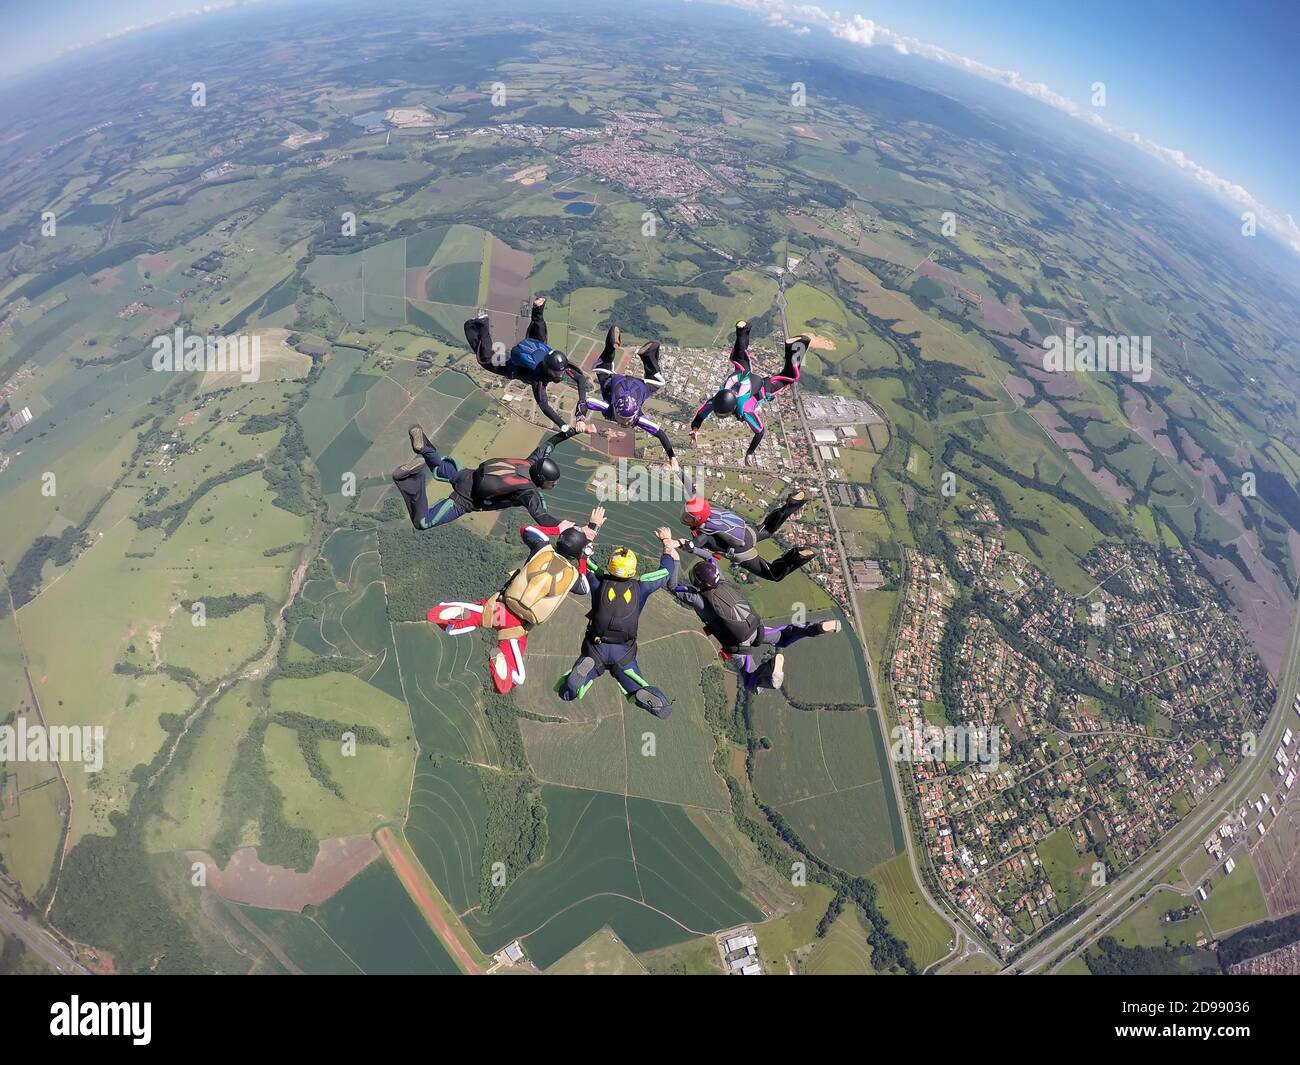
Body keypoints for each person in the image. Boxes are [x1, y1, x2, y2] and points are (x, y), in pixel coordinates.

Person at [428, 508, 606, 693]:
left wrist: (558, 529)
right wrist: (584, 555)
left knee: (474, 615)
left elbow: (526, 529)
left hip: (500, 610)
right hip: (517, 627)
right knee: (514, 679)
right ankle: (501, 661)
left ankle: (460, 616)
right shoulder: (574, 577)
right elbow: (585, 585)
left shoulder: (542, 548)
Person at [559, 530, 681, 718]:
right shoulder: (642, 586)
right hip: (624, 651)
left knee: (566, 692)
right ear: (633, 569)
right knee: (635, 687)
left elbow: (584, 561)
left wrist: (591, 531)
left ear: (610, 565)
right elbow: (665, 572)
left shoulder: (598, 581)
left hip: (596, 648)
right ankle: (654, 701)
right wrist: (666, 544)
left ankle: (575, 685)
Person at [670, 557, 840, 691]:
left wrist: (673, 558)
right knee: (785, 634)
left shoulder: (699, 600)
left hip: (738, 644)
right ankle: (818, 627)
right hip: (756, 628)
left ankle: (772, 674)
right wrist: (691, 547)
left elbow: (673, 586)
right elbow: (710, 558)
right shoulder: (722, 581)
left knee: (751, 682)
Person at [391, 422, 574, 530]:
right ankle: (412, 477)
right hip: (465, 500)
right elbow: (541, 516)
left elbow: (549, 445)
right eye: (551, 483)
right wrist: (563, 527)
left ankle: (423, 446)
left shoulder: (532, 462)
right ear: (541, 480)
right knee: (423, 522)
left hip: (466, 475)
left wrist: (572, 431)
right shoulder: (528, 493)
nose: (553, 485)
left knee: (438, 468)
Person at [464, 297, 591, 431]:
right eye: (557, 374)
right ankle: (482, 324)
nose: (560, 376)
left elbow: (580, 379)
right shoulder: (538, 380)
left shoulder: (559, 362)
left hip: (537, 349)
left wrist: (581, 411)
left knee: (540, 341)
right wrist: (563, 425)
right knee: (487, 360)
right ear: (548, 370)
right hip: (515, 366)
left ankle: (538, 309)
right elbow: (544, 405)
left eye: (561, 372)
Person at [690, 321, 808, 465]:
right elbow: (700, 415)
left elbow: (760, 431)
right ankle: (742, 330)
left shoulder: (745, 410)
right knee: (737, 356)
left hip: (762, 387)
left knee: (791, 377)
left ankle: (799, 344)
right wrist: (695, 428)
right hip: (741, 374)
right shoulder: (717, 400)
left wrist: (749, 453)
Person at [576, 324, 679, 468]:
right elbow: (660, 433)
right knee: (602, 367)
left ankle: (620, 349)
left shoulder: (615, 409)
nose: (623, 424)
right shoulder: (633, 416)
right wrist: (580, 419)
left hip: (627, 385)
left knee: (656, 382)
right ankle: (645, 355)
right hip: (628, 385)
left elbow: (585, 402)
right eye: (624, 421)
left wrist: (581, 418)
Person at [681, 492, 814, 581]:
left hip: (742, 551)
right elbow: (692, 489)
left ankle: (798, 556)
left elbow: (696, 543)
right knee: (768, 528)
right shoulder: (708, 511)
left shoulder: (705, 531)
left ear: (698, 518)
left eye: (689, 517)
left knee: (774, 575)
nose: (685, 518)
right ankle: (792, 504)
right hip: (747, 533)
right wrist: (677, 469)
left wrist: (683, 545)